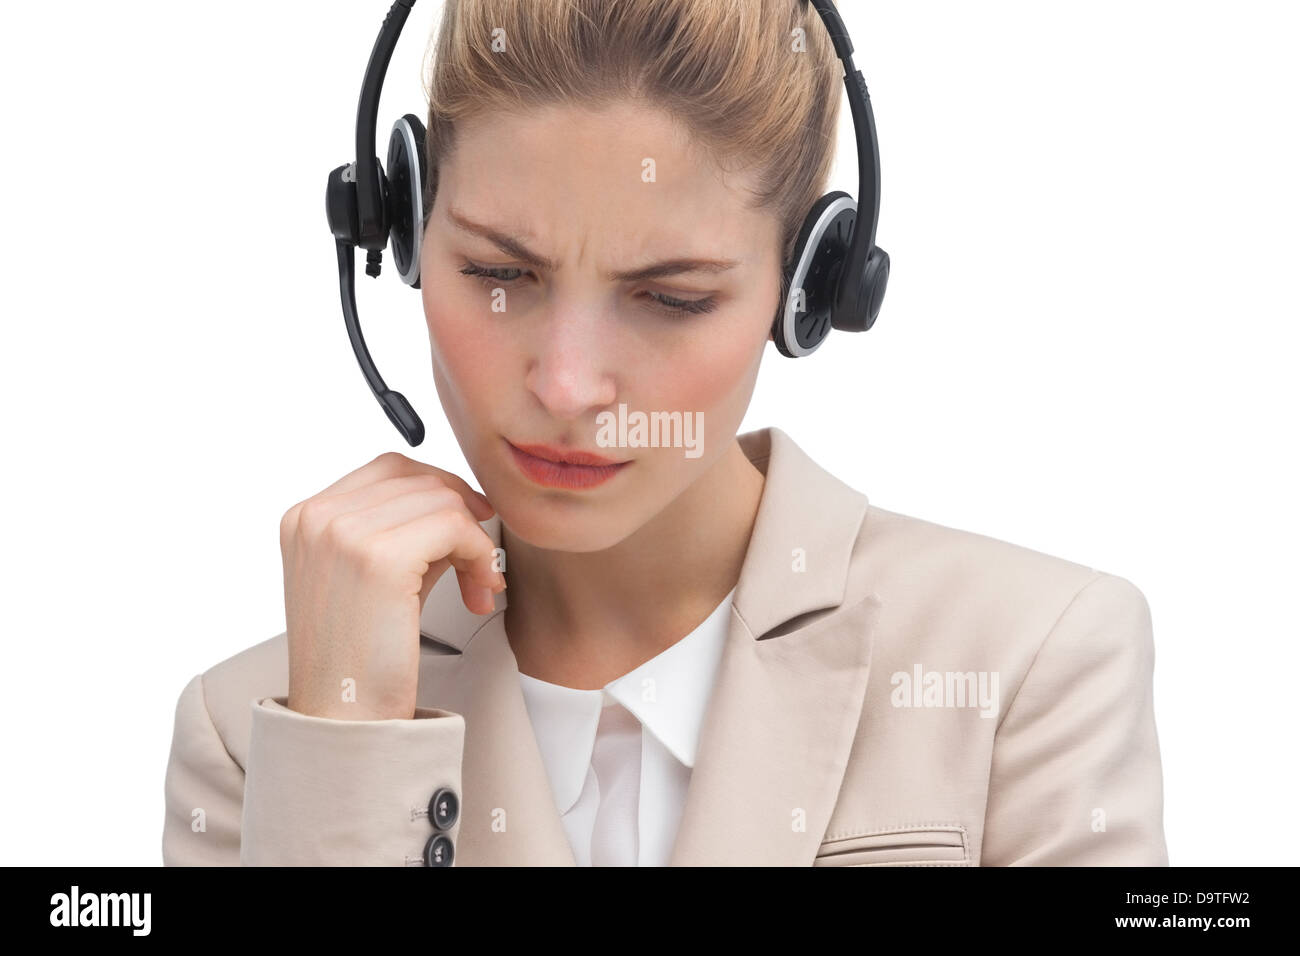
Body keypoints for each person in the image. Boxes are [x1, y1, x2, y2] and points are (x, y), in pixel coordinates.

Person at [162, 0, 1168, 866]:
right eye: (500, 275)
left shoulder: (1032, 661)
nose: (565, 384)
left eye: (671, 298)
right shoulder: (258, 728)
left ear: (810, 289)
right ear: (402, 230)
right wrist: (343, 748)